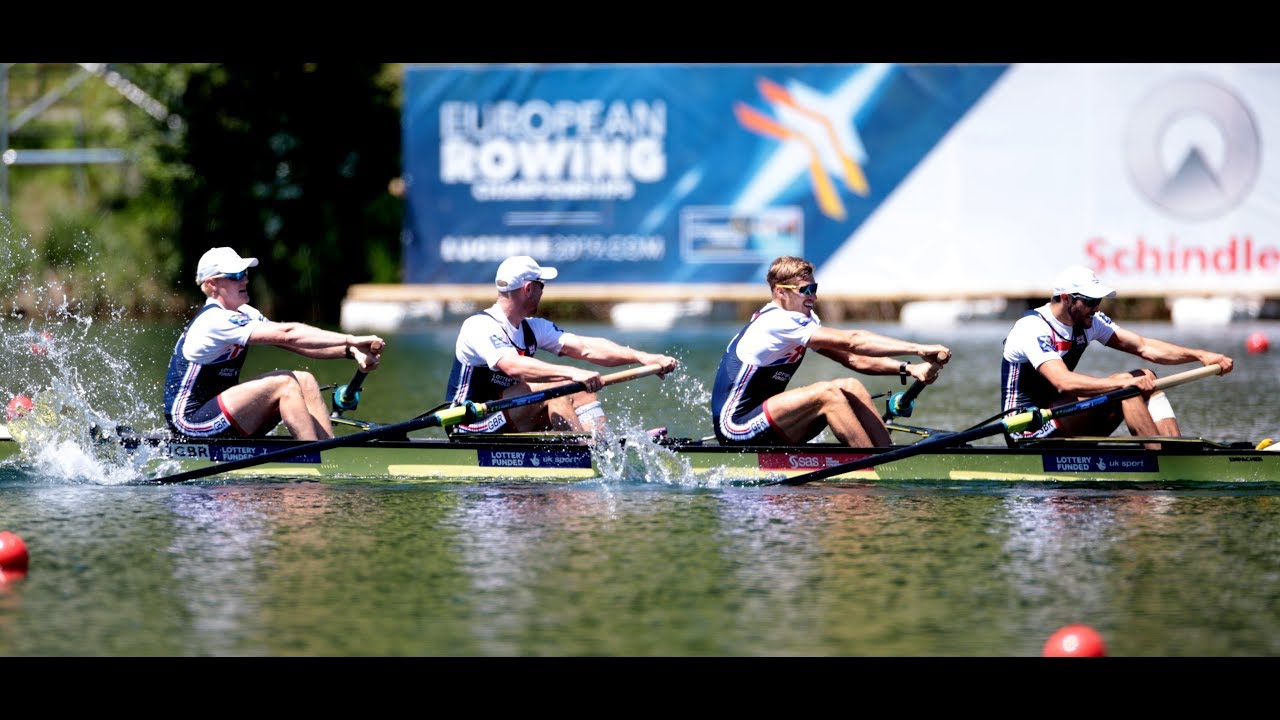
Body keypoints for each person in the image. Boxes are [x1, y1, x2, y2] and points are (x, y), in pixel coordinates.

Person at [711, 255, 951, 447]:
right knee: (827, 393)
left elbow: (854, 358)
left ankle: (886, 455)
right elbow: (853, 340)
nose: (813, 296)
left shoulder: (801, 321)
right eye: (805, 290)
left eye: (814, 288)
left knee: (850, 386)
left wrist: (910, 368)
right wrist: (917, 348)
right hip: (737, 428)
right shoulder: (776, 322)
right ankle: (870, 466)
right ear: (781, 292)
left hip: (771, 423)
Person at [164, 246, 386, 441]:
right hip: (190, 424)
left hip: (221, 414)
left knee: (305, 380)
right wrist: (350, 338)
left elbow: (296, 344)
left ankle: (326, 452)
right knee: (284, 383)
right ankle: (311, 462)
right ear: (212, 284)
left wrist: (351, 351)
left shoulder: (245, 314)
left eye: (245, 273)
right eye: (236, 275)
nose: (245, 280)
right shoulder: (214, 319)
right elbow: (287, 333)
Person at [1000, 264, 1234, 448]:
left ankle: (1176, 451)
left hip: (1063, 417)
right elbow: (1063, 381)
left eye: (1098, 301)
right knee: (1125, 387)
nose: (1097, 307)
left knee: (1145, 377)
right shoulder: (1032, 328)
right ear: (1066, 298)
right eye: (1090, 301)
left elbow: (1144, 347)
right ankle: (1160, 461)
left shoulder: (1089, 321)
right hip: (1027, 429)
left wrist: (1200, 355)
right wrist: (1122, 382)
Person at [445, 255, 679, 435]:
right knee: (558, 387)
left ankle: (603, 445)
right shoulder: (479, 326)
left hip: (507, 414)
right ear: (528, 289)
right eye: (541, 286)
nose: (542, 291)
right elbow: (513, 366)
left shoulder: (533, 328)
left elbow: (586, 347)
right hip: (468, 423)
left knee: (580, 392)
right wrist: (572, 372)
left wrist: (642, 357)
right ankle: (585, 452)